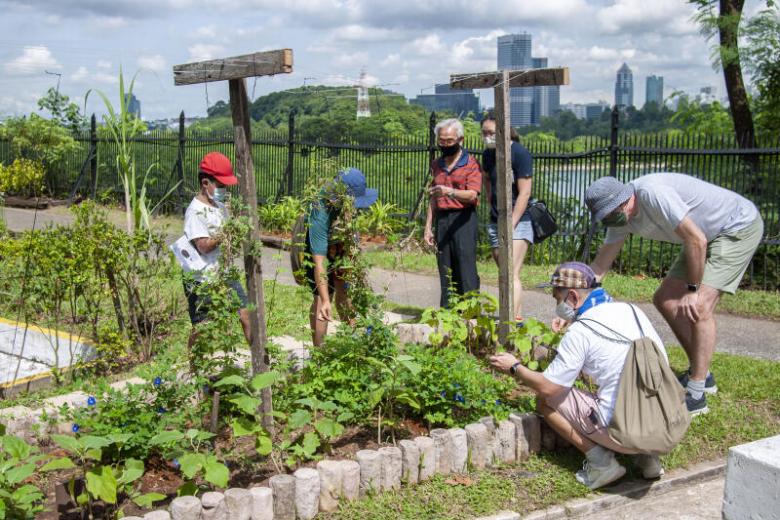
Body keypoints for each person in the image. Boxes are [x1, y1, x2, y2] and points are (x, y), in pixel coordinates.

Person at [584, 173, 763, 415]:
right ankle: (703, 375)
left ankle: (697, 395)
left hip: (735, 226)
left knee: (699, 307)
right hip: (702, 235)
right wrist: (576, 299)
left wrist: (693, 289)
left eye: (611, 213)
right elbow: (600, 266)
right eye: (604, 217)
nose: (610, 220)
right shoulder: (621, 218)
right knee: (666, 299)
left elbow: (696, 240)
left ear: (626, 200)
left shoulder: (654, 194)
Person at [490, 262, 670, 490]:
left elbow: (549, 387)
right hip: (664, 423)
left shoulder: (581, 331)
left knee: (546, 400)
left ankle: (601, 463)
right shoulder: (632, 310)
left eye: (557, 299)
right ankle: (648, 459)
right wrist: (574, 319)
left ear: (573, 296)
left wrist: (515, 367)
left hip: (625, 430)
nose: (557, 306)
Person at [182, 151, 251, 350]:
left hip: (224, 273)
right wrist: (227, 232)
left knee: (246, 314)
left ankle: (260, 365)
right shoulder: (194, 212)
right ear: (205, 183)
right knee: (202, 328)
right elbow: (203, 246)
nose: (224, 189)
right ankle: (197, 374)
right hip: (201, 279)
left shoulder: (220, 206)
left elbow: (229, 237)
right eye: (220, 185)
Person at [305, 168, 378, 346]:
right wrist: (325, 300)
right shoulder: (319, 214)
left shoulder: (345, 206)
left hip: (340, 241)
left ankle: (352, 340)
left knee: (345, 290)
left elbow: (351, 234)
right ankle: (319, 354)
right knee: (322, 299)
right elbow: (319, 264)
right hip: (319, 250)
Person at [423, 118, 482, 308]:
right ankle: (447, 314)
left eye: (449, 140)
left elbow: (473, 194)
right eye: (442, 141)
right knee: (445, 268)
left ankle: (470, 314)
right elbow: (433, 197)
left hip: (463, 219)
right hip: (442, 219)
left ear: (460, 139)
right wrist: (428, 227)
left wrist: (450, 192)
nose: (445, 144)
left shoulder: (471, 164)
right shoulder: (437, 164)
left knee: (465, 268)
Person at [480, 116, 534, 324]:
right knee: (504, 272)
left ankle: (511, 320)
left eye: (492, 132)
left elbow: (525, 193)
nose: (488, 137)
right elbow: (486, 179)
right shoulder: (488, 154)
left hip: (519, 222)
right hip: (496, 220)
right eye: (484, 132)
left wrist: (511, 223)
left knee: (511, 272)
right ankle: (512, 315)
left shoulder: (519, 153)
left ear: (504, 131)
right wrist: (490, 202)